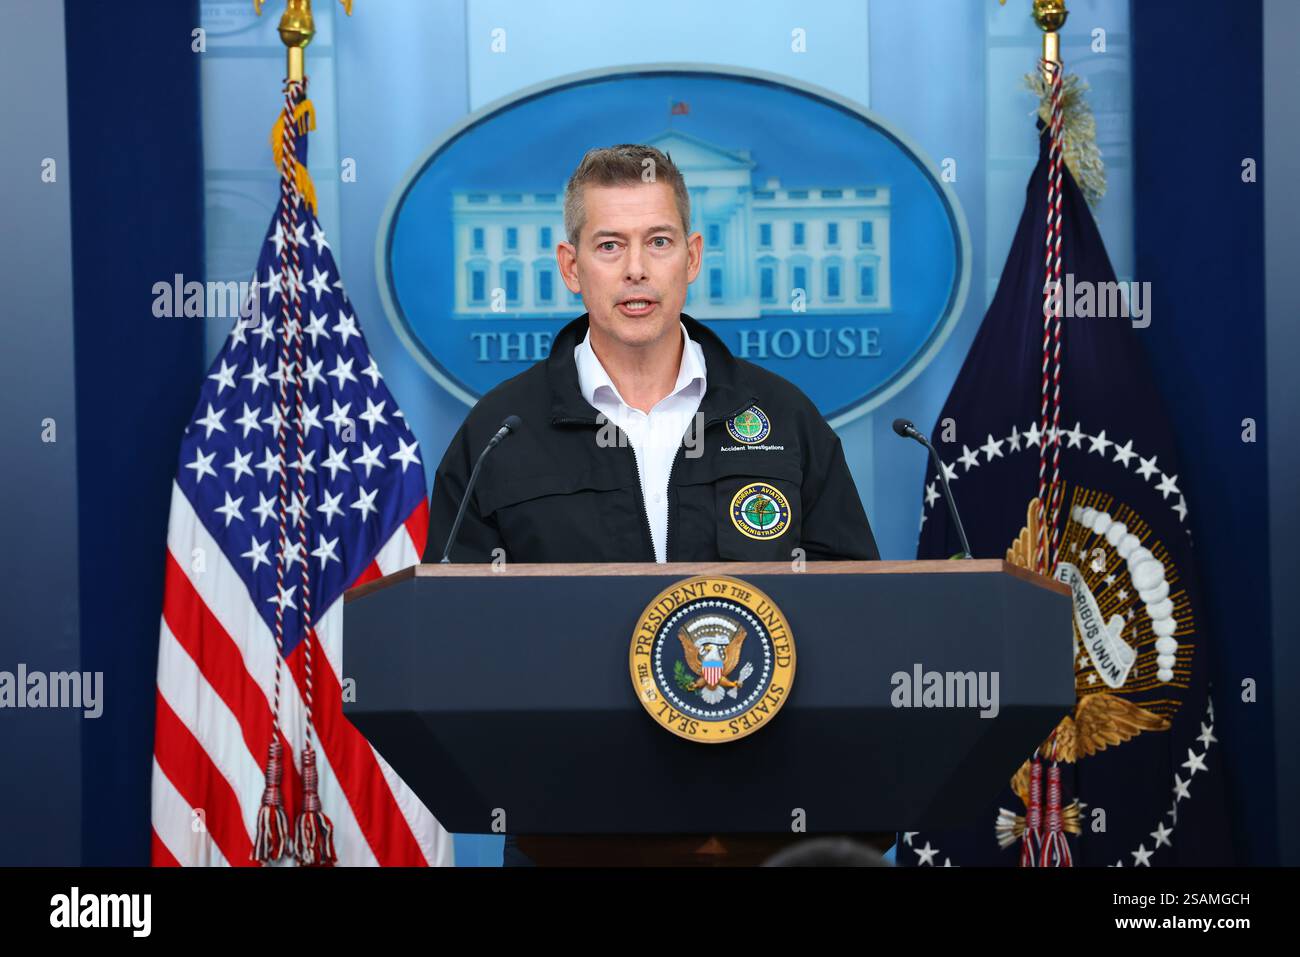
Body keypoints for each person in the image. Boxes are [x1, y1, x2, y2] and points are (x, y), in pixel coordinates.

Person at [424, 144, 881, 865]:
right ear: (572, 266)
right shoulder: (499, 435)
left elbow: (860, 620)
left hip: (761, 832)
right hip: (575, 839)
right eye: (611, 245)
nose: (637, 268)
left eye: (658, 242)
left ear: (691, 257)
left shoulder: (785, 420)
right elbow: (453, 644)